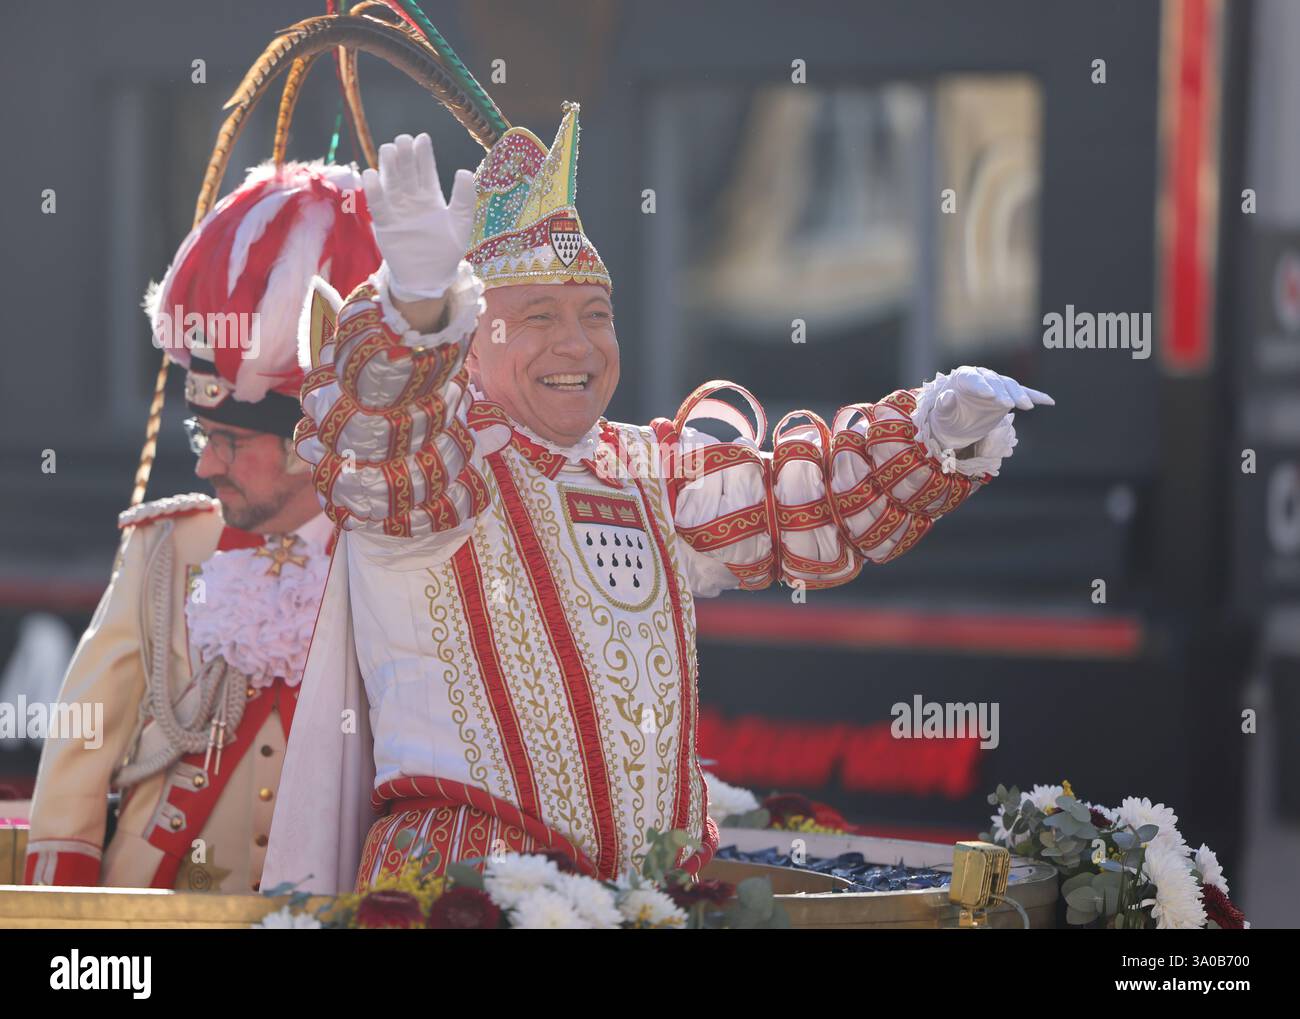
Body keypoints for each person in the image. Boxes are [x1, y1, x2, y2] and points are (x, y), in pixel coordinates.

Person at [263, 103, 1053, 894]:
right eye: (539, 318)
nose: (576, 344)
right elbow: (377, 434)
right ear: (473, 343)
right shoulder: (442, 468)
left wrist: (933, 430)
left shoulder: (649, 467)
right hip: (462, 897)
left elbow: (800, 504)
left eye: (595, 316)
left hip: (648, 904)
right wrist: (418, 307)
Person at [23, 162, 380, 892]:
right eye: (202, 434)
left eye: (233, 441)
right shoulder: (163, 548)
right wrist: (61, 914)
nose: (208, 462)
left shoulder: (388, 557)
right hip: (153, 910)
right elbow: (82, 743)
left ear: (308, 446)